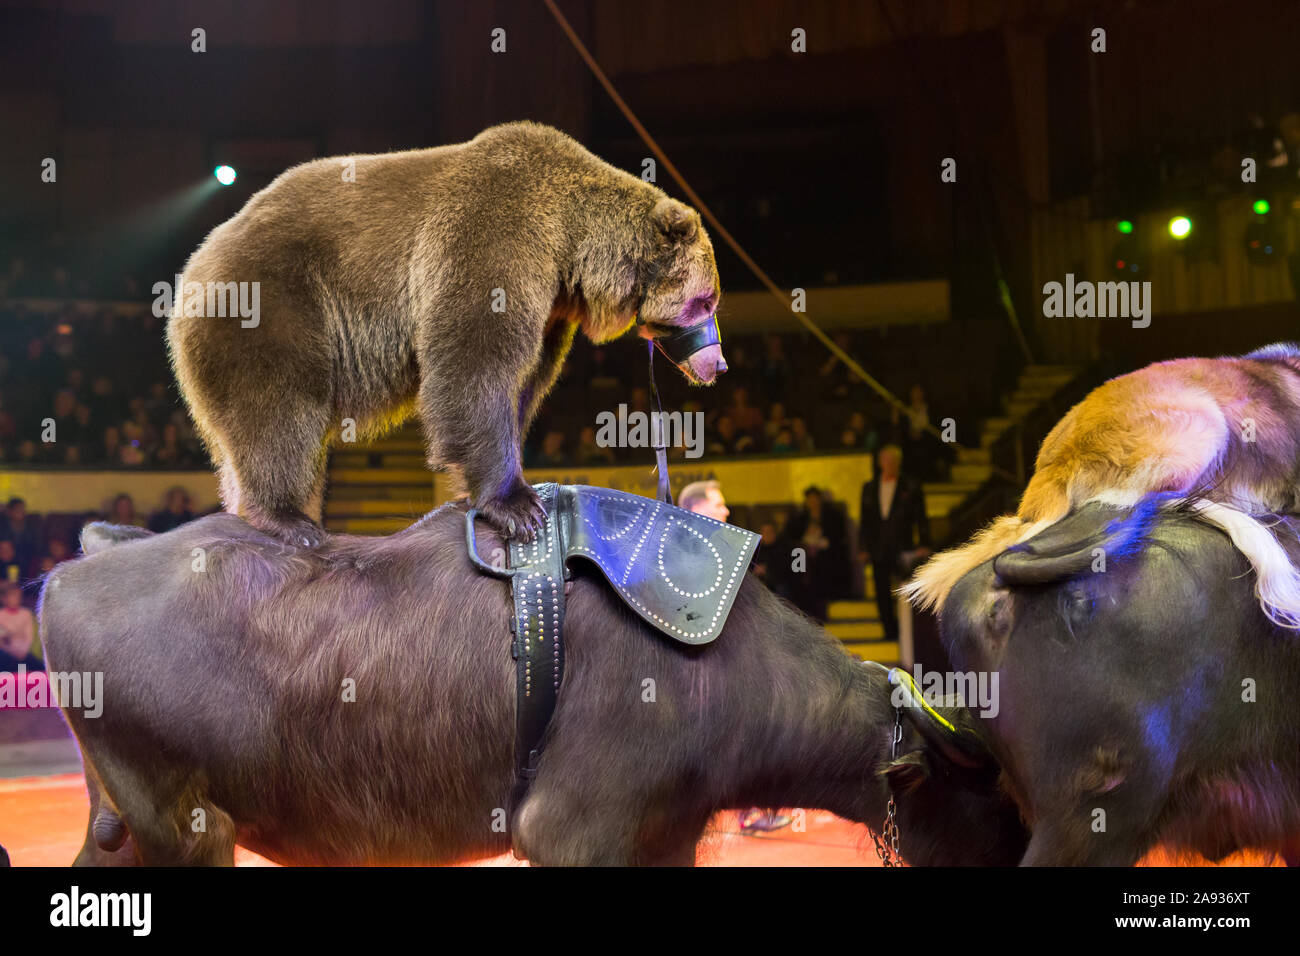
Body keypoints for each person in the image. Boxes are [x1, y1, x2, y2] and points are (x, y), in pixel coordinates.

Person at [677, 480, 791, 835]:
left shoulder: (708, 550)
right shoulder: (688, 554)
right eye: (719, 504)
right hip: (703, 666)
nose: (726, 510)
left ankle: (748, 809)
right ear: (696, 509)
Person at [858, 445, 931, 644]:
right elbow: (865, 520)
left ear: (898, 463)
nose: (889, 464)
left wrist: (924, 543)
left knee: (905, 590)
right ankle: (888, 631)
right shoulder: (869, 488)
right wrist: (863, 547)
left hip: (903, 547)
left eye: (892, 460)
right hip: (878, 548)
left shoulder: (911, 486)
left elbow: (921, 518)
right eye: (885, 460)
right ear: (880, 463)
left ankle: (907, 633)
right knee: (882, 591)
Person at [0, 581, 39, 672]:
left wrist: (22, 651)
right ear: (4, 598)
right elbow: (2, 638)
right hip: (6, 653)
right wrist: (11, 649)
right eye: (13, 596)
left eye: (18, 596)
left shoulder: (26, 614)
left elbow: (29, 636)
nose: (16, 599)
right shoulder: (1, 615)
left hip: (23, 652)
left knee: (35, 668)